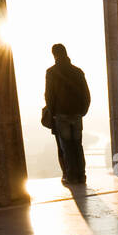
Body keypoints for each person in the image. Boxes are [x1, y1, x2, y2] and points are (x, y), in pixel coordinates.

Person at [43, 43, 91, 185]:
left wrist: (52, 114)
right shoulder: (78, 71)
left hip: (61, 114)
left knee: (66, 147)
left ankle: (71, 176)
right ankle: (82, 175)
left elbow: (49, 95)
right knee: (77, 145)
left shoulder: (51, 72)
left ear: (54, 55)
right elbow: (86, 94)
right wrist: (82, 111)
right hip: (76, 114)